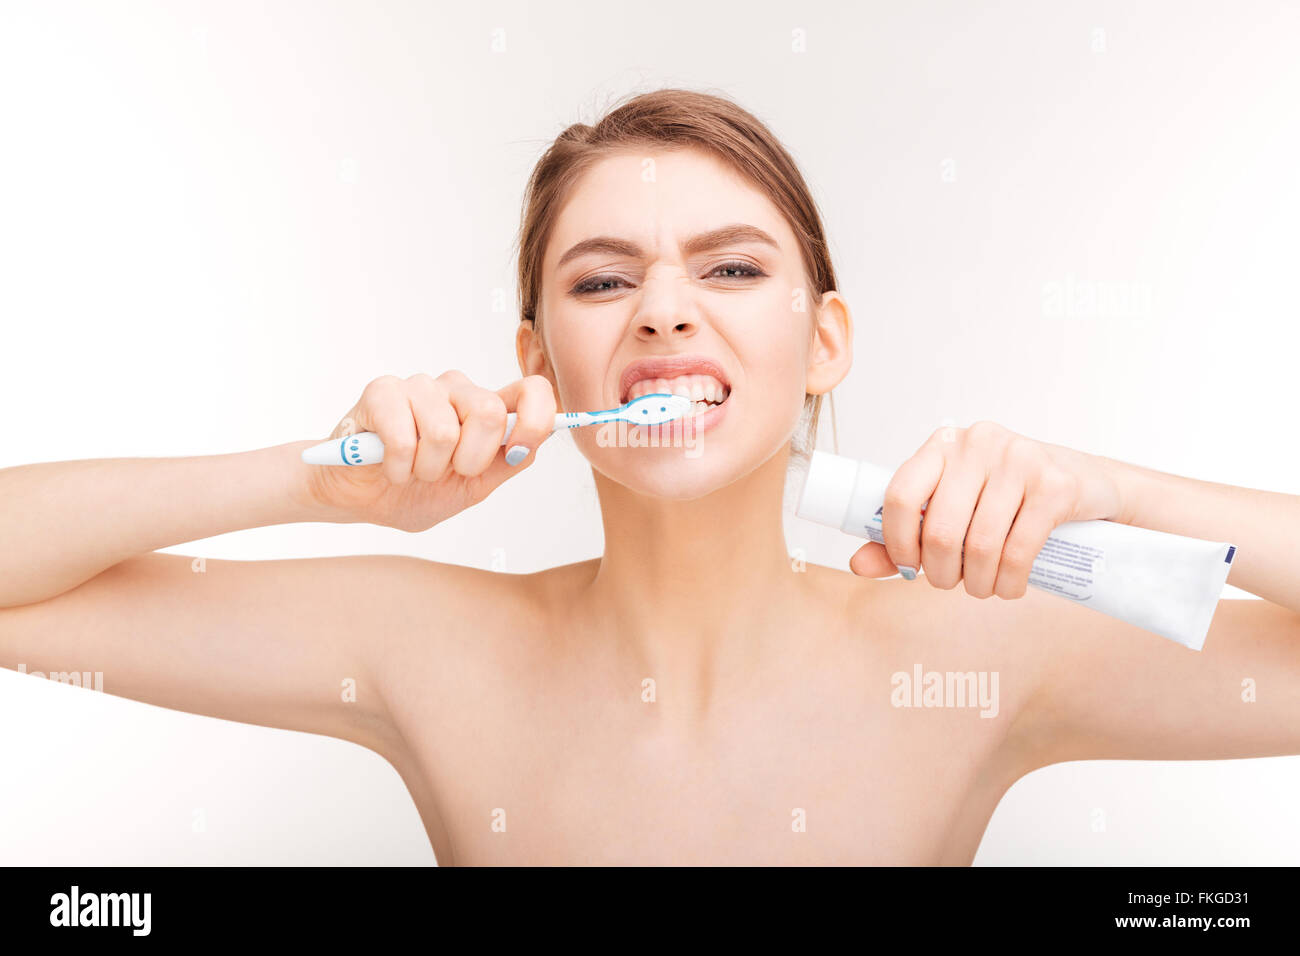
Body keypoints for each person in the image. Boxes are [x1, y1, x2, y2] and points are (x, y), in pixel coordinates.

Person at [3, 88, 1298, 865]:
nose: (666, 310)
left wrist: (1110, 491)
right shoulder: (421, 646)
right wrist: (311, 480)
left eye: (731, 269)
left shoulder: (983, 653)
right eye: (603, 280)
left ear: (824, 341)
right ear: (537, 360)